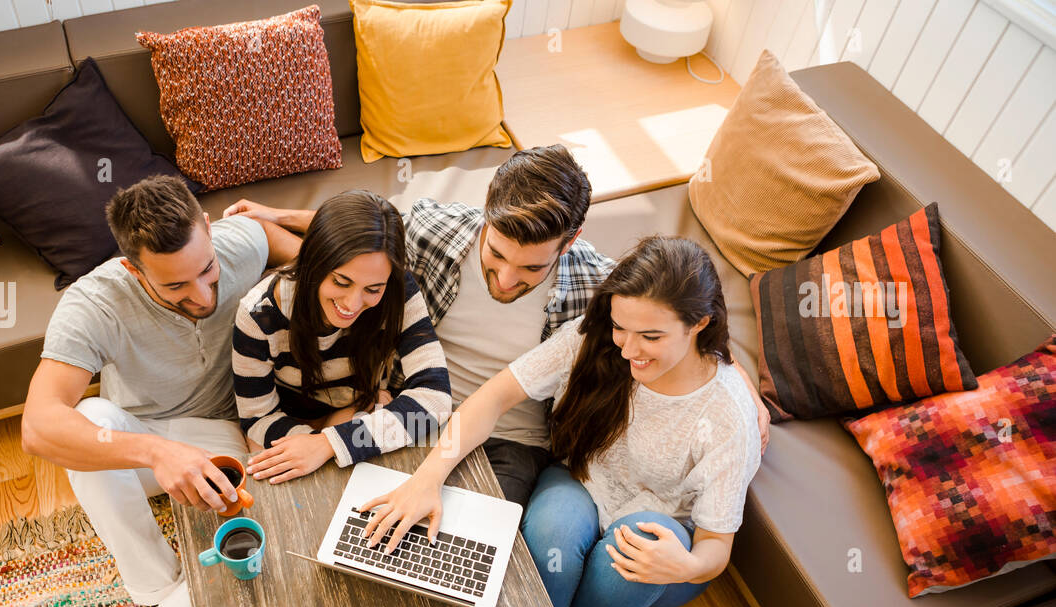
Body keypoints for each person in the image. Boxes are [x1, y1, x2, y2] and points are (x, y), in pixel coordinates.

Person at [222, 147, 770, 506]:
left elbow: (680, 312)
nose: (507, 279)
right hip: (409, 406)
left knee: (466, 548)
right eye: (498, 254)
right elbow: (364, 229)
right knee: (353, 516)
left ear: (571, 239)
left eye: (531, 266)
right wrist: (274, 216)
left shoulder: (598, 285)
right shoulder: (436, 231)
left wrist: (738, 383)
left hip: (513, 439)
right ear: (485, 216)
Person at [20, 174, 299, 607]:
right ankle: (157, 592)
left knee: (255, 548)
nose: (203, 294)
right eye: (176, 285)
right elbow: (39, 425)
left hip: (233, 432)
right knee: (88, 426)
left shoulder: (236, 240)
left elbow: (328, 256)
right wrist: (154, 451)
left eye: (207, 272)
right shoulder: (94, 302)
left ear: (208, 232)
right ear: (132, 268)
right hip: (144, 433)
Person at [356, 237, 762, 607]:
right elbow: (492, 399)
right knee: (554, 536)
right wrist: (427, 478)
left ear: (699, 324)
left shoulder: (728, 415)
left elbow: (716, 545)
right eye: (620, 327)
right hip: (582, 483)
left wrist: (688, 566)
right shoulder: (592, 339)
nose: (627, 349)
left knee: (633, 545)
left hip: (664, 548)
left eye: (651, 336)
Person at [235, 189, 451, 483]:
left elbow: (435, 398)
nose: (351, 304)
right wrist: (319, 438)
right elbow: (257, 417)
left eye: (372, 289)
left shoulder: (398, 290)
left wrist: (329, 443)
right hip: (291, 426)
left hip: (356, 416)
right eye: (341, 281)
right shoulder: (260, 314)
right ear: (314, 263)